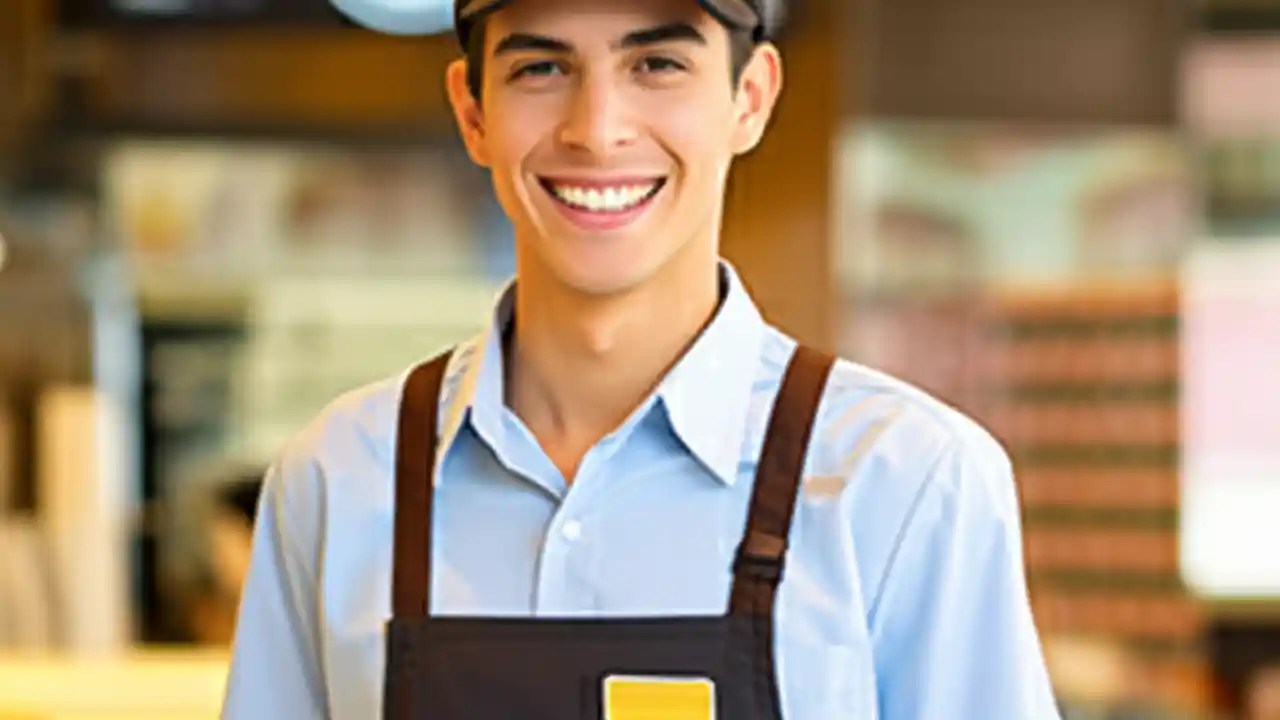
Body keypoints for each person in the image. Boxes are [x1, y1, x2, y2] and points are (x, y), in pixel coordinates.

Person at [221, 0, 1063, 717]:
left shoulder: (907, 484)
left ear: (750, 98)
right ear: (472, 111)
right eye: (541, 69)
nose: (597, 130)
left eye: (657, 64)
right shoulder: (339, 479)